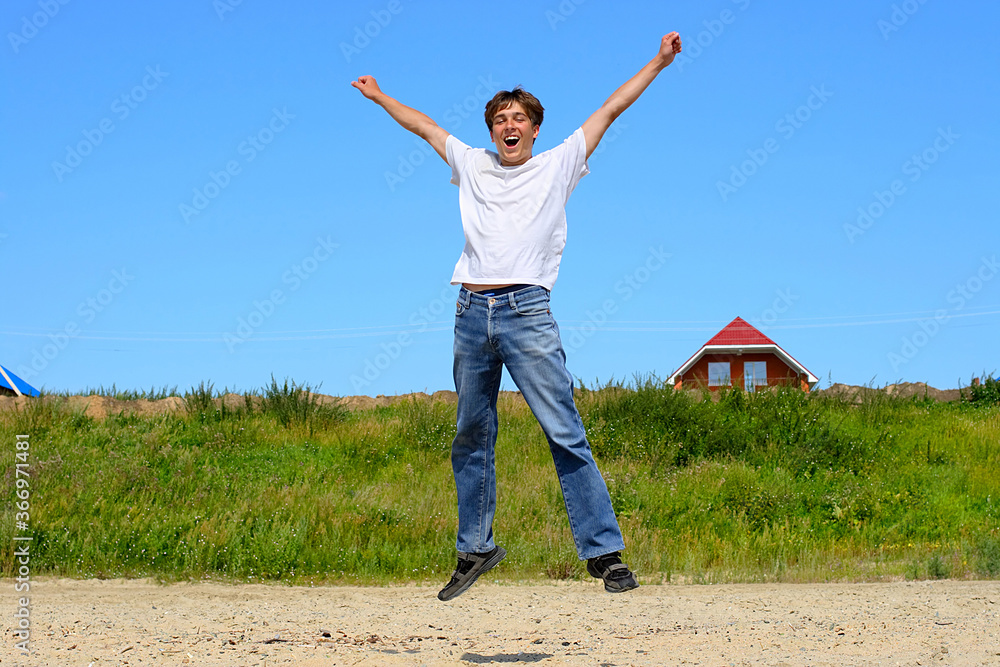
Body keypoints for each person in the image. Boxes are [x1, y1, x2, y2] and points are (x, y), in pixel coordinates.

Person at [352, 32, 682, 601]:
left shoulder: (560, 163)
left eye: (518, 117)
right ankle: (475, 547)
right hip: (469, 311)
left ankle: (603, 554)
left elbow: (610, 107)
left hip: (527, 311)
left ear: (534, 127)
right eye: (500, 118)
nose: (509, 125)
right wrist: (381, 97)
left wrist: (658, 61)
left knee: (563, 429)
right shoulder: (473, 164)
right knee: (470, 434)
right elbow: (427, 127)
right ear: (492, 131)